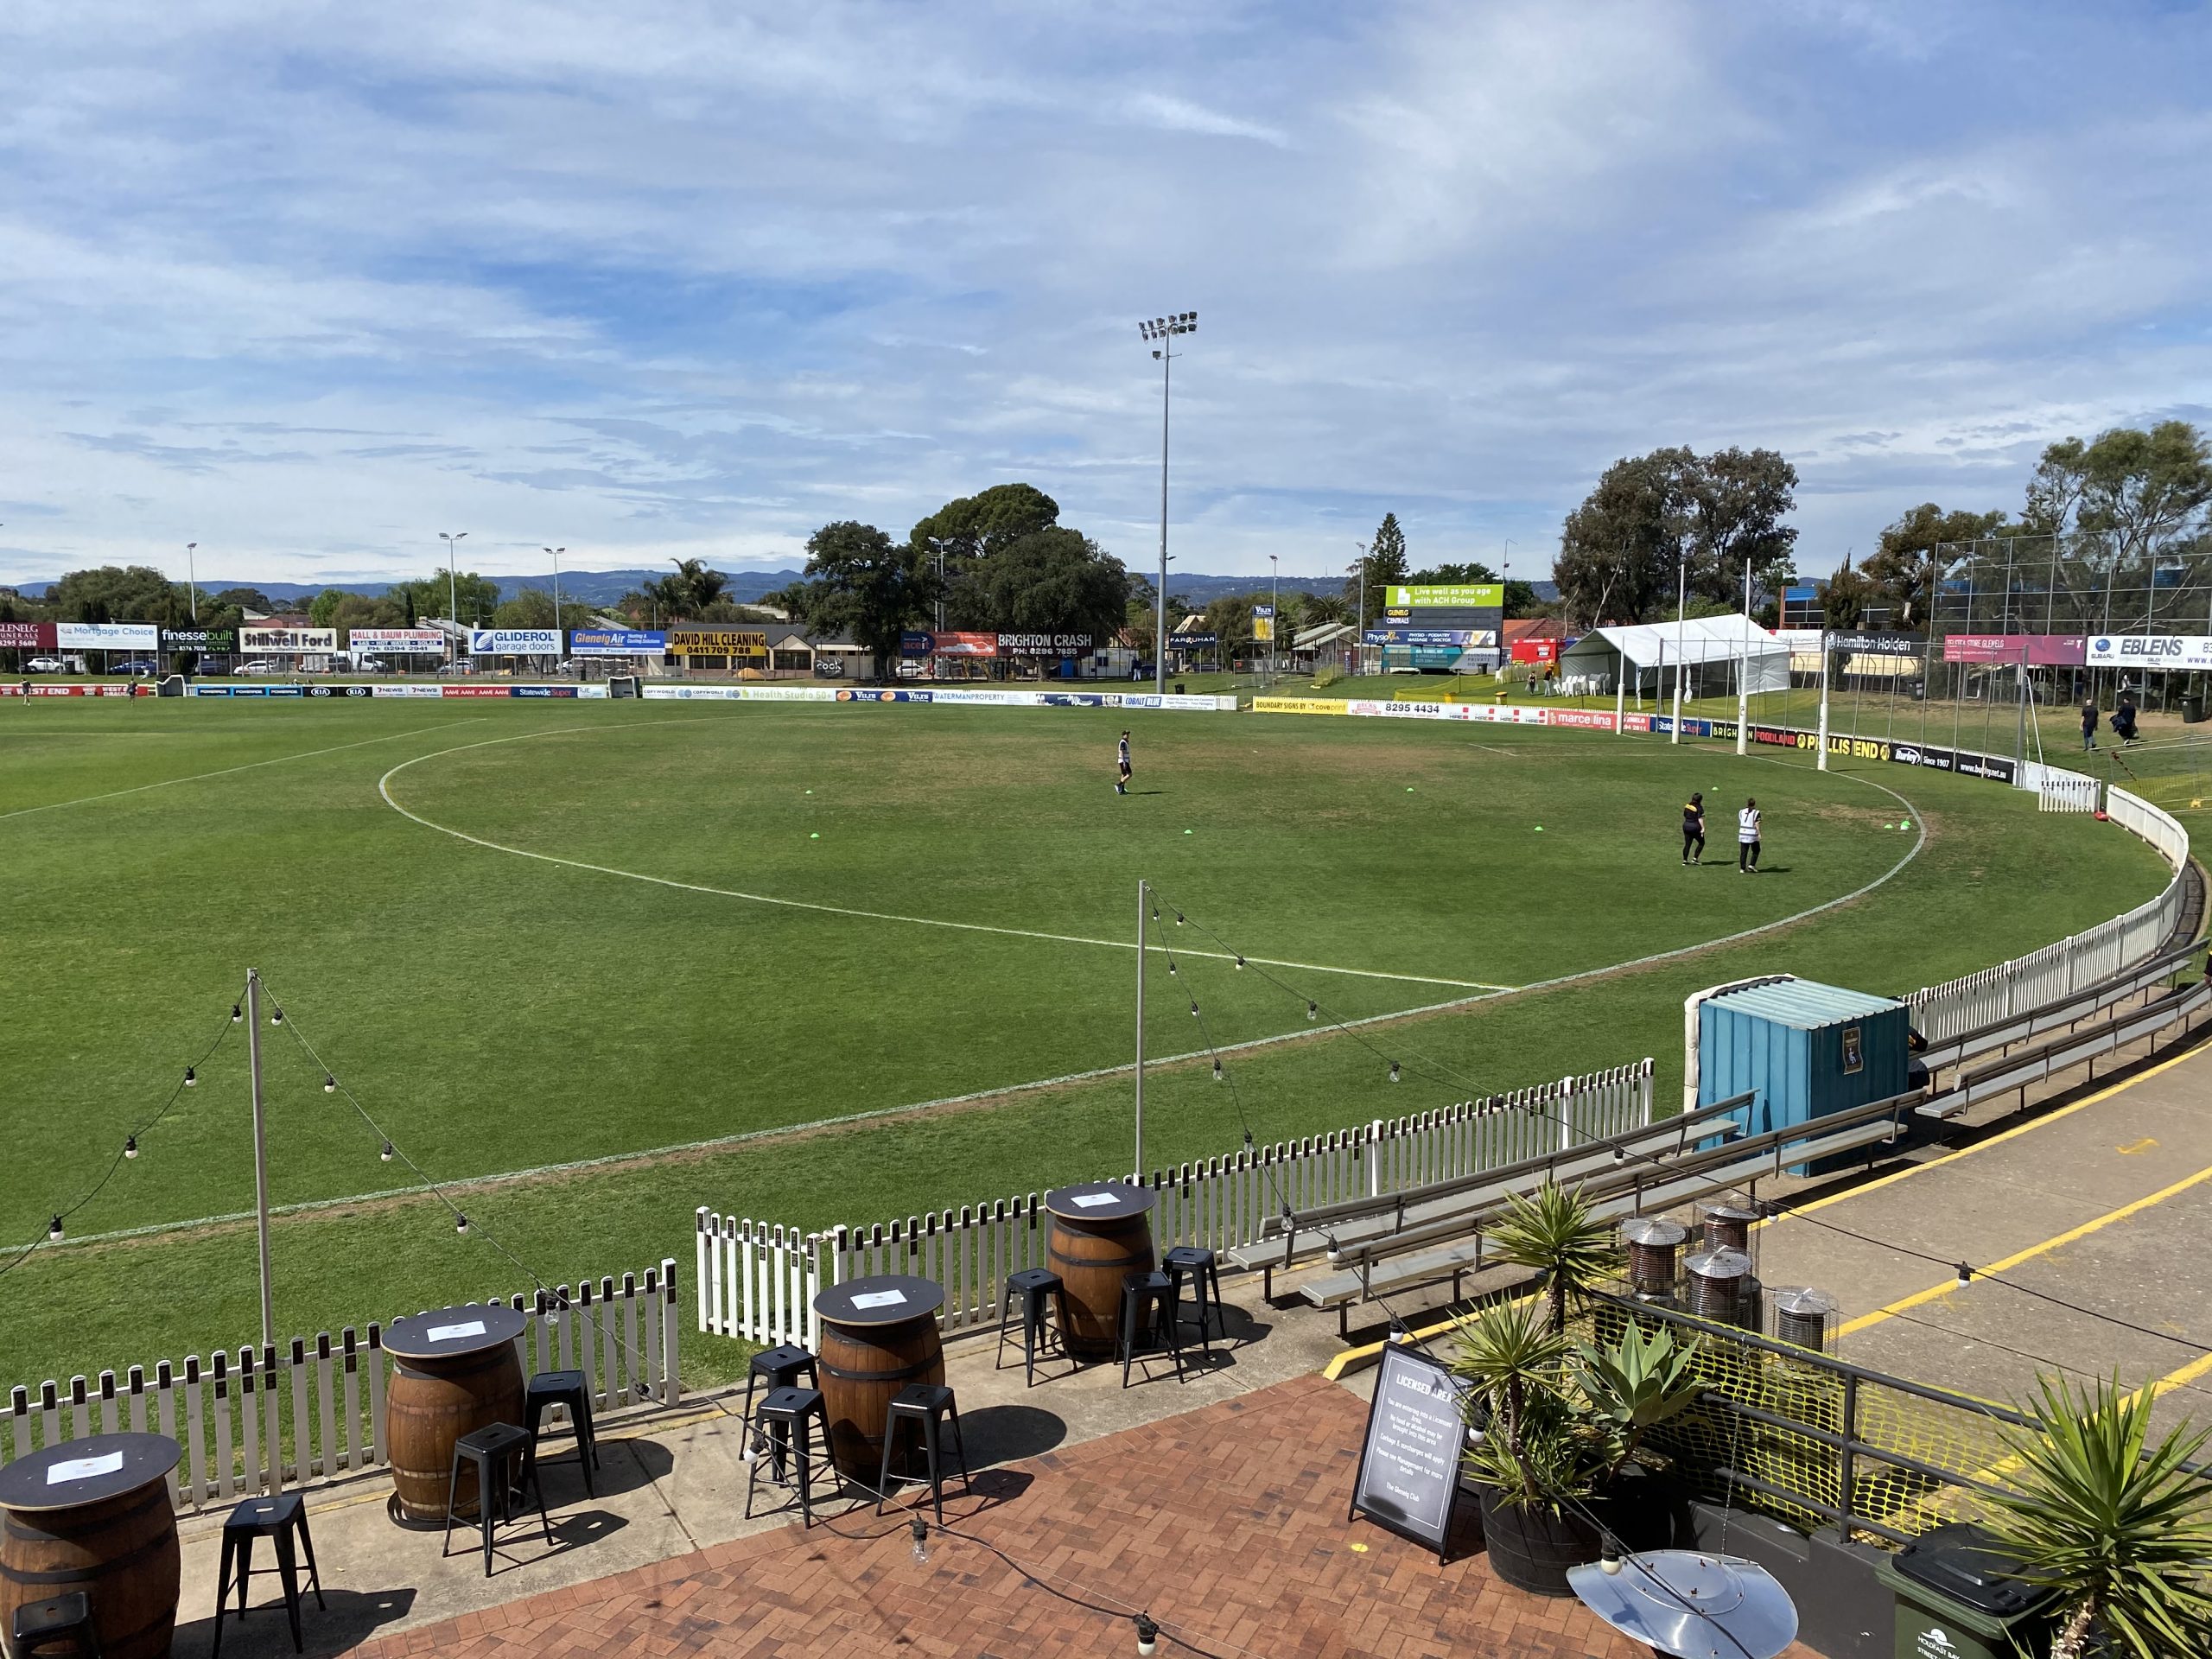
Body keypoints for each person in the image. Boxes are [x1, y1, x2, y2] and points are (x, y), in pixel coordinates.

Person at [1737, 797, 1762, 874]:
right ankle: (1752, 864)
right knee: (1756, 850)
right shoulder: (1756, 812)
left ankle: (1742, 868)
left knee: (1744, 852)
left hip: (1742, 833)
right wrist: (1759, 833)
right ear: (1754, 804)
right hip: (1752, 834)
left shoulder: (1741, 811)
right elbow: (1757, 823)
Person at [1681, 791, 1706, 866]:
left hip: (1686, 826)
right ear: (1700, 800)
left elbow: (1685, 815)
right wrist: (1703, 828)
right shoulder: (1699, 807)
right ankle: (1695, 859)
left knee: (1687, 844)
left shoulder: (1687, 805)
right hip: (1695, 827)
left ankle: (1685, 861)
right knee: (1701, 843)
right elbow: (1700, 819)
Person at [1115, 729, 1133, 795]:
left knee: (1124, 774)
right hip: (1123, 761)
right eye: (1126, 734)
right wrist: (1125, 761)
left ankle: (1121, 790)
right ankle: (1119, 785)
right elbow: (1121, 752)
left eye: (1128, 734)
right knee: (1129, 774)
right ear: (1123, 735)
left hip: (1124, 760)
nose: (1128, 735)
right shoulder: (1123, 742)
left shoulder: (1125, 741)